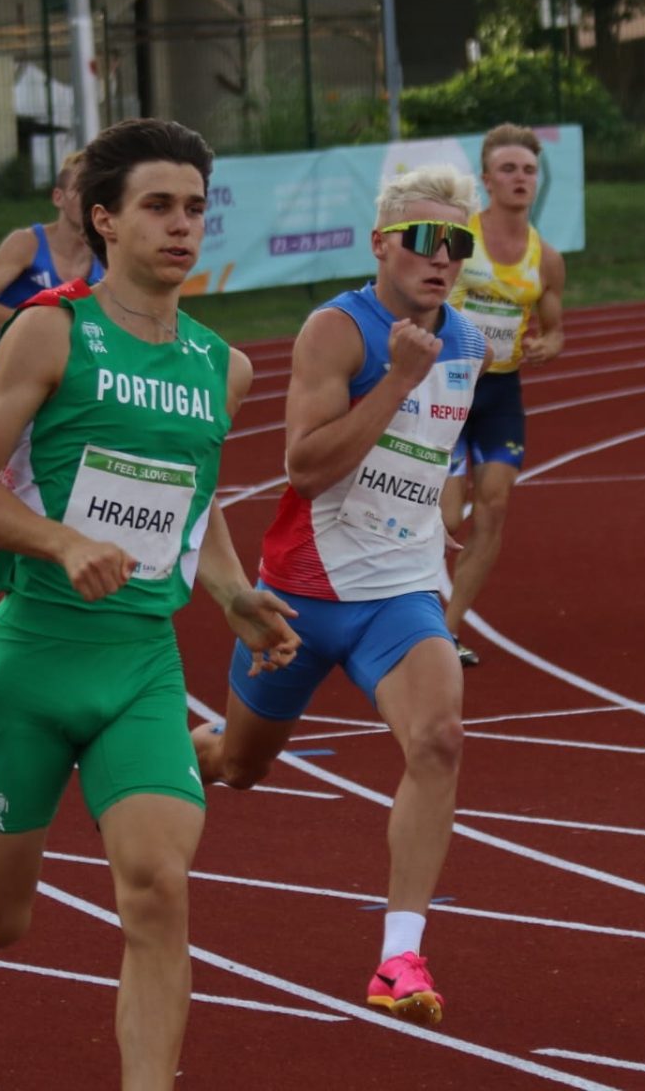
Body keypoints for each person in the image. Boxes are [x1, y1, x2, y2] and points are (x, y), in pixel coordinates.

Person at [0, 118, 300, 1091]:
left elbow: (193, 505)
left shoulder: (223, 367)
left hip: (140, 665)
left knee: (158, 887)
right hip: (33, 652)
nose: (181, 226)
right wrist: (64, 540)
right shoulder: (51, 328)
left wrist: (237, 594)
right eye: (158, 206)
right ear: (104, 220)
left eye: (196, 207)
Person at [191, 165, 491, 1027]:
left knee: (438, 738)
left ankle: (400, 955)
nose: (443, 258)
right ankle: (159, 761)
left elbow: (428, 454)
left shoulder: (468, 342)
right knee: (241, 767)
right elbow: (305, 466)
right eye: (426, 240)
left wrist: (434, 514)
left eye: (457, 245)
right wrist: (395, 378)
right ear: (382, 245)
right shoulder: (338, 330)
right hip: (301, 595)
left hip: (397, 598)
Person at [439, 124, 567, 666]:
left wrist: (550, 343)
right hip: (444, 385)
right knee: (444, 521)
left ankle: (444, 631)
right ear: (487, 179)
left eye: (529, 170)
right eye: (509, 169)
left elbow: (555, 325)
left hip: (501, 393)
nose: (520, 178)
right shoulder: (457, 237)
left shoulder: (547, 258)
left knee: (494, 505)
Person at [0, 149, 104, 392]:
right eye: (80, 190)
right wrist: (43, 326)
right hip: (4, 390)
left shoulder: (106, 259)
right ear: (59, 197)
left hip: (62, 393)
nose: (89, 199)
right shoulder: (27, 244)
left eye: (97, 192)